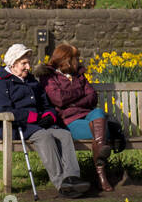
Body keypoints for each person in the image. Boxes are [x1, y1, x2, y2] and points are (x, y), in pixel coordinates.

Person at [0, 44, 90, 198]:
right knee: (45, 137)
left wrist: (49, 115)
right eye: (24, 63)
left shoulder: (30, 80)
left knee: (63, 134)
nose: (28, 67)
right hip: (16, 127)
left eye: (28, 62)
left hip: (38, 124)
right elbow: (3, 111)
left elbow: (46, 104)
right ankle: (61, 183)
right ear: (12, 63)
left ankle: (73, 179)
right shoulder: (0, 82)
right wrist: (34, 117)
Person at [37, 43, 114, 192]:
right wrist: (79, 95)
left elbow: (92, 96)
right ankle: (101, 174)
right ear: (66, 60)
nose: (78, 61)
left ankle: (99, 167)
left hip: (89, 115)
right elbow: (58, 99)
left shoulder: (79, 74)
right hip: (69, 120)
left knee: (98, 112)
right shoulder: (49, 77)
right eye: (76, 58)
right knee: (104, 131)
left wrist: (71, 101)